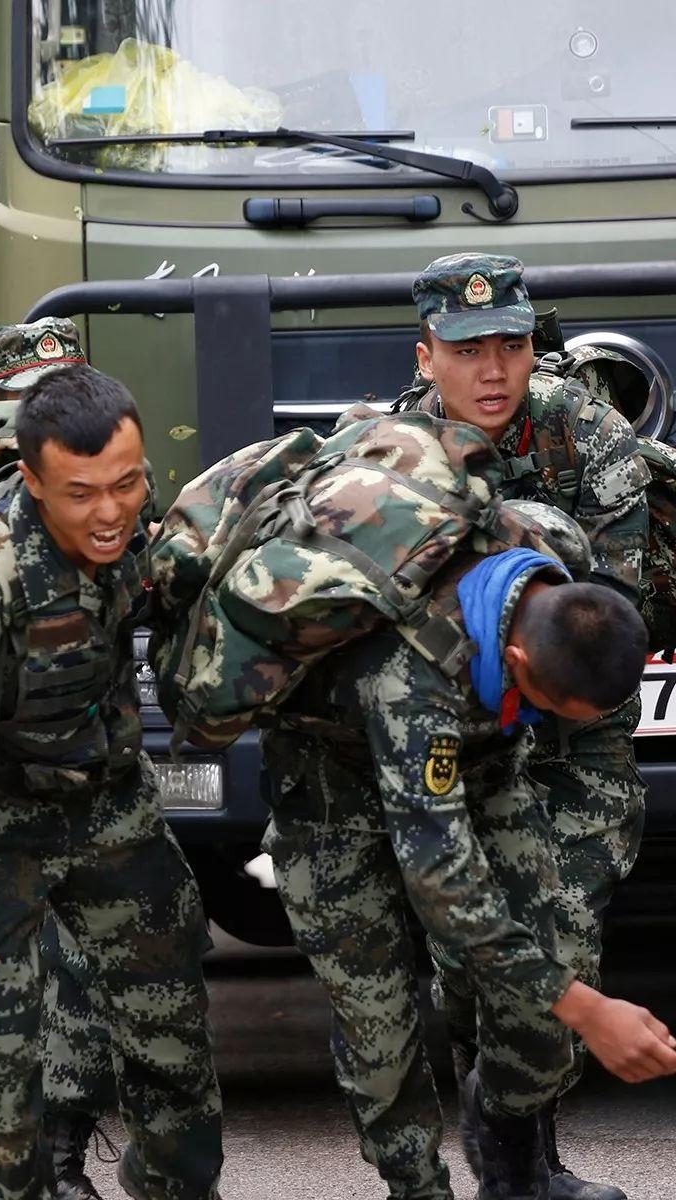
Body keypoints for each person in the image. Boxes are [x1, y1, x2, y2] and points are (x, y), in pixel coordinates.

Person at [262, 518, 676, 1200]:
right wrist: (592, 1012)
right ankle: (417, 1187)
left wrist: (565, 996)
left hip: (482, 756)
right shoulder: (415, 683)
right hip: (335, 790)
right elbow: (446, 886)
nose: (561, 727)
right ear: (517, 664)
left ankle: (515, 1175)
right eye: (556, 710)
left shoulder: (549, 547)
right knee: (380, 1032)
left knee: (554, 961)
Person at [0, 364, 223, 1200]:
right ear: (32, 482)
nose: (110, 513)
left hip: (109, 806)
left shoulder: (133, 523)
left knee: (173, 1044)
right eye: (81, 493)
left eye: (127, 483)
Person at [405, 253, 650, 1200]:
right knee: (464, 957)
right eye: (470, 351)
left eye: (512, 344)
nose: (495, 371)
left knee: (565, 936)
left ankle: (522, 1158)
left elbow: (609, 612)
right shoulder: (388, 449)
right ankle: (502, 1139)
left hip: (576, 726)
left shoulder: (586, 429)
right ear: (428, 356)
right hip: (455, 728)